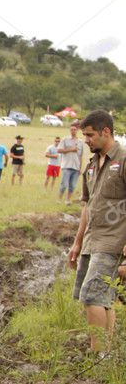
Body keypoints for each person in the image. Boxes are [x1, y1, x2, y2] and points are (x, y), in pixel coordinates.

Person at [67, 110, 126, 352]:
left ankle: (97, 354)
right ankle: (106, 353)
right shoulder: (92, 164)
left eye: (90, 135)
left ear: (106, 132)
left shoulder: (123, 160)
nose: (86, 140)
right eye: (84, 136)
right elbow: (87, 206)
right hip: (92, 240)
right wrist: (77, 242)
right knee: (102, 299)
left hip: (113, 242)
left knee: (92, 295)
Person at [58, 123, 83, 204]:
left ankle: (67, 200)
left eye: (75, 129)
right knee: (64, 184)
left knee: (72, 186)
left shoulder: (80, 142)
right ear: (69, 130)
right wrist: (70, 150)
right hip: (66, 165)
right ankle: (59, 199)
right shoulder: (65, 139)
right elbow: (59, 150)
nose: (73, 131)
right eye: (71, 129)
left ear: (77, 130)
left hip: (76, 166)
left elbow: (80, 156)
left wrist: (80, 168)